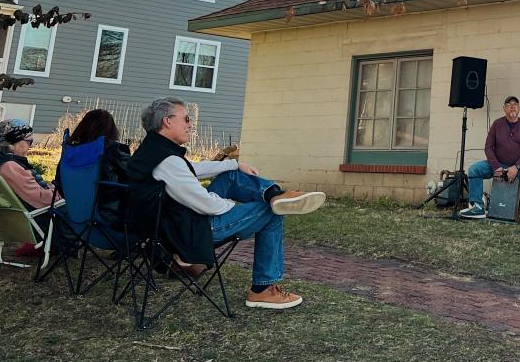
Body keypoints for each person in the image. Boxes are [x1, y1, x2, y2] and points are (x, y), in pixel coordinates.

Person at [126, 97, 326, 310]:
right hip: (190, 232)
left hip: (176, 224)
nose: (190, 124)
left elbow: (189, 169)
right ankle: (262, 289)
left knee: (230, 176)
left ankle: (275, 194)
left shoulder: (153, 151)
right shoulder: (167, 161)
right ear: (167, 121)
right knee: (271, 213)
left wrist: (234, 164)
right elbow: (206, 205)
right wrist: (235, 206)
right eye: (185, 119)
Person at [458, 96, 520, 225]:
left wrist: (516, 167)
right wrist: (496, 167)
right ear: (504, 108)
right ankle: (478, 208)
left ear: (519, 108)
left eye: (515, 104)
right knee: (474, 169)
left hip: (519, 166)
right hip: (498, 164)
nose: (512, 106)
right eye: (509, 104)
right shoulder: (497, 124)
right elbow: (488, 147)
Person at [64, 109, 131, 221]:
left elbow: (60, 184)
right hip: (108, 217)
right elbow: (137, 172)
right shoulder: (112, 150)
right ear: (111, 130)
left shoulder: (69, 152)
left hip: (74, 216)